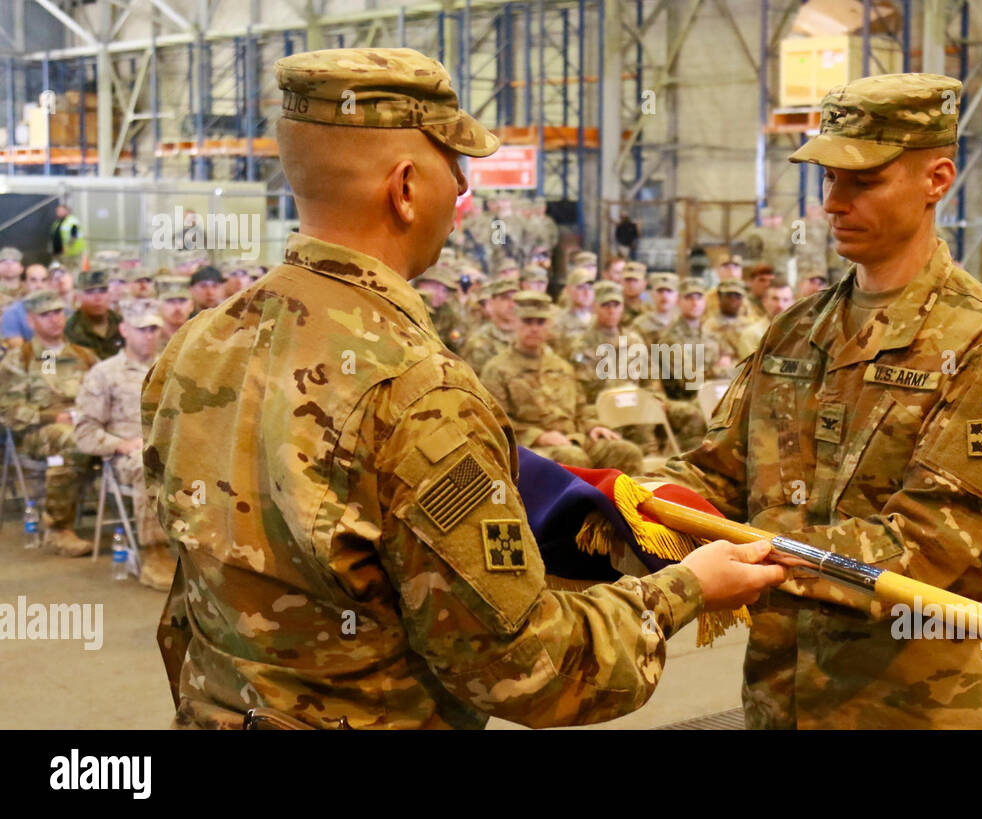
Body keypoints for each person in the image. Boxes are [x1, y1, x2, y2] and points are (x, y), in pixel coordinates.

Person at [141, 47, 784, 730]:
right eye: (457, 170)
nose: (462, 194)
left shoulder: (198, 344)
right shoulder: (417, 390)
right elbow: (524, 668)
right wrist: (685, 588)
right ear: (407, 187)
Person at [652, 73, 982, 730]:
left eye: (863, 180)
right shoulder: (796, 331)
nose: (833, 203)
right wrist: (630, 501)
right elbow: (719, 473)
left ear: (937, 179)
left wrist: (744, 560)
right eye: (828, 180)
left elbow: (925, 543)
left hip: (922, 706)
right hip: (784, 698)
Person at [480, 291, 642, 474]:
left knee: (626, 452)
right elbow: (495, 423)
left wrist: (595, 426)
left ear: (548, 325)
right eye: (527, 322)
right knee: (572, 458)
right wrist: (539, 436)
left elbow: (581, 409)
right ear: (515, 323)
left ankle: (619, 503)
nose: (534, 328)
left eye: (540, 322)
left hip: (572, 439)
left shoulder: (561, 366)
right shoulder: (497, 369)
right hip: (528, 448)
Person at [74, 299, 173, 590]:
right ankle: (154, 555)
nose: (149, 335)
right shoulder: (104, 373)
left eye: (154, 328)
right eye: (142, 329)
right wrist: (123, 444)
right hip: (128, 454)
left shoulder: (174, 365)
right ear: (124, 330)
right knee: (150, 467)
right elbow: (85, 431)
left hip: (174, 447)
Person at [0, 290, 99, 556]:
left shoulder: (84, 355)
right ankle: (58, 529)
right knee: (71, 440)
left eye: (58, 312)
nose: (55, 319)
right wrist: (52, 417)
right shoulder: (18, 359)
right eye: (46, 314)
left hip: (86, 422)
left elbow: (104, 392)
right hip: (35, 431)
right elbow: (9, 410)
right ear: (31, 321)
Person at [569, 281, 707, 454]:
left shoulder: (634, 340)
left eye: (616, 305)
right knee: (638, 424)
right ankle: (645, 464)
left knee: (692, 416)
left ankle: (690, 467)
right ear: (595, 307)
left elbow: (650, 379)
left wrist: (655, 396)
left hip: (639, 400)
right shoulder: (582, 345)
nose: (612, 310)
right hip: (603, 407)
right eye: (605, 305)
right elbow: (584, 392)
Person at [459, 277, 519, 373]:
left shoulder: (529, 336)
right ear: (491, 304)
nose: (512, 304)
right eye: (505, 298)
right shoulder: (478, 342)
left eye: (516, 299)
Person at [63, 270, 123, 360]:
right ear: (79, 297)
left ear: (109, 294)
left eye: (102, 291)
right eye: (90, 292)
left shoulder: (122, 324)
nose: (97, 298)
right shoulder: (69, 329)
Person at [1, 263, 51, 343]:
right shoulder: (12, 314)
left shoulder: (60, 310)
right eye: (33, 280)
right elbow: (17, 349)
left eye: (43, 280)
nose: (39, 285)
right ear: (24, 283)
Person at [631, 272, 679, 346]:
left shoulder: (681, 323)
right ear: (653, 295)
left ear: (677, 296)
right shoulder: (640, 324)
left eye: (669, 291)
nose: (664, 295)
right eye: (660, 291)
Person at [155, 276, 193, 345]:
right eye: (170, 301)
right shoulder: (150, 341)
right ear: (158, 306)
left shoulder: (197, 339)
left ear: (191, 306)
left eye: (182, 301)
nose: (177, 308)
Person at [49, 204, 86, 270]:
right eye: (57, 211)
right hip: (58, 252)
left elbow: (73, 237)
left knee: (70, 271)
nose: (58, 212)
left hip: (71, 253)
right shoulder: (58, 222)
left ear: (67, 211)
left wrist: (67, 248)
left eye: (60, 210)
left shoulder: (72, 221)